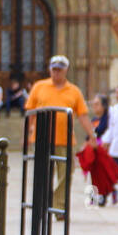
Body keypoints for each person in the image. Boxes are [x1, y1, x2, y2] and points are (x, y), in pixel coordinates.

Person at [26, 55, 98, 212]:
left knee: (66, 174)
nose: (56, 73)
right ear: (50, 70)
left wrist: (92, 136)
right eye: (54, 69)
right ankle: (44, 203)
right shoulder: (39, 87)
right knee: (43, 173)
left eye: (59, 70)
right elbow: (30, 113)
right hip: (41, 138)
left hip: (65, 140)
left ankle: (58, 205)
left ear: (66, 70)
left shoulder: (74, 91)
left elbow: (83, 115)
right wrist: (26, 134)